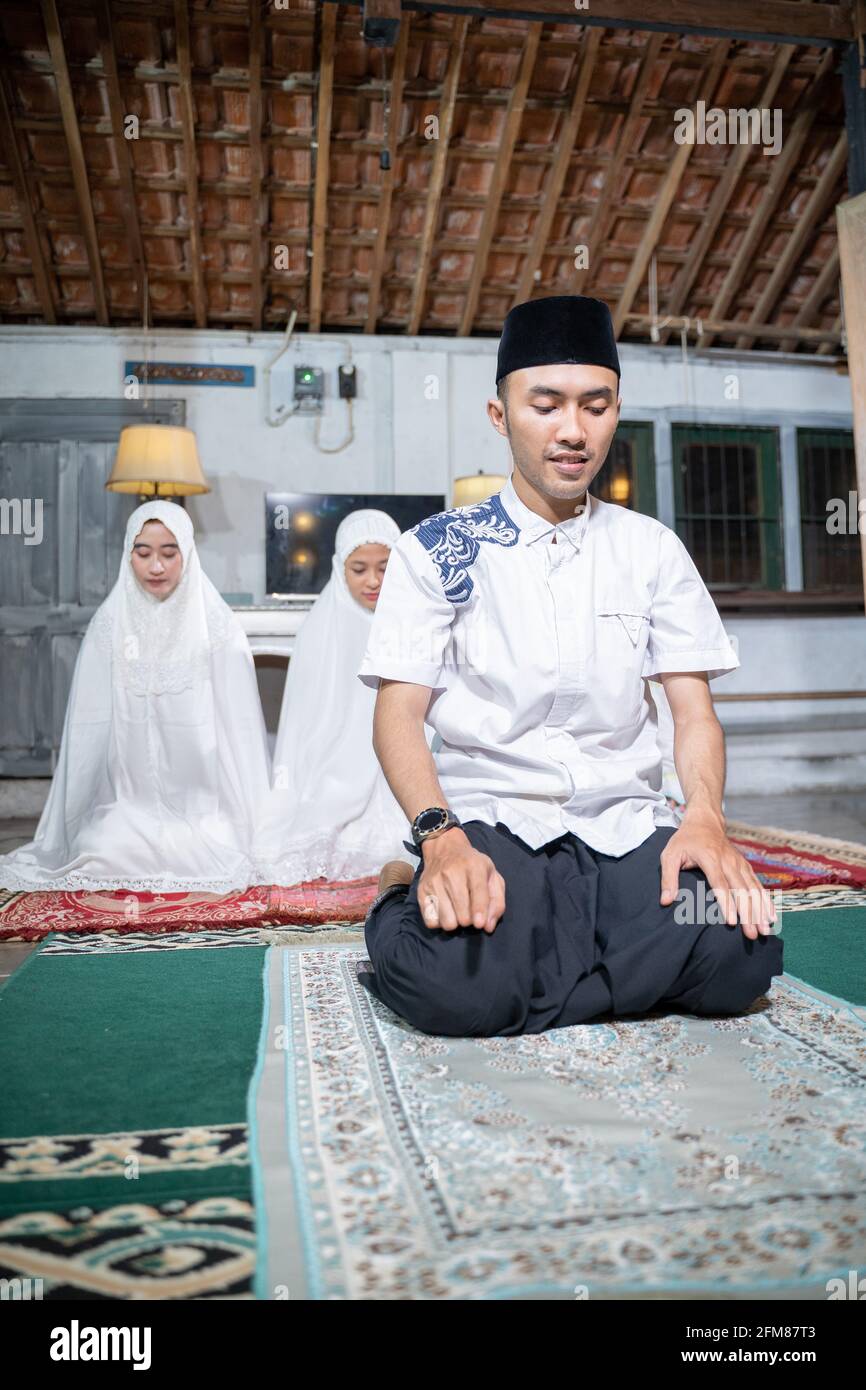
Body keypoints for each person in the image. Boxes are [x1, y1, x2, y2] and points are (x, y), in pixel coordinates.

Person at [356, 294, 783, 1038]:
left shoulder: (652, 551)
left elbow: (693, 713)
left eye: (595, 405)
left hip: (622, 821)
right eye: (545, 405)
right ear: (500, 415)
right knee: (455, 993)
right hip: (494, 822)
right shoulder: (438, 549)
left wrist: (705, 819)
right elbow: (398, 714)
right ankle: (400, 894)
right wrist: (438, 838)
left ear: (617, 410)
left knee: (740, 949)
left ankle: (554, 964)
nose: (572, 432)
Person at [0, 500, 271, 894]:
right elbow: (86, 727)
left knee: (210, 852)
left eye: (169, 553)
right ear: (129, 553)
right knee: (101, 850)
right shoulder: (109, 624)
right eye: (143, 553)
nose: (156, 567)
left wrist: (250, 814)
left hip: (204, 806)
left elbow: (241, 726)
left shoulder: (217, 625)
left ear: (188, 553)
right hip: (126, 804)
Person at [254, 509, 424, 886]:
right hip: (339, 761)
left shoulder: (416, 620)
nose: (373, 580)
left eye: (385, 566)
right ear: (339, 568)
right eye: (359, 569)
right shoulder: (321, 626)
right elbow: (306, 720)